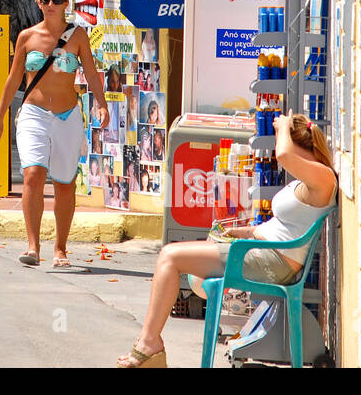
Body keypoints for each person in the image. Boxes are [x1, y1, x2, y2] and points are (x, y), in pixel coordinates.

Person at [117, 113, 337, 367]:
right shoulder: (309, 180)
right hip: (264, 252)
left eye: (280, 139)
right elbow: (283, 226)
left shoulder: (323, 177)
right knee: (174, 257)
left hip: (274, 261)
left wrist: (284, 125)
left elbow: (285, 155)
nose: (279, 146)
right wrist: (244, 231)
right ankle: (150, 344)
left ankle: (148, 344)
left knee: (170, 256)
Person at [0, 0, 108, 268]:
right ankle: (33, 246)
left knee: (64, 183)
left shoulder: (78, 36)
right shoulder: (27, 37)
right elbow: (14, 78)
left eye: (57, 0)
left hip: (67, 115)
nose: (51, 5)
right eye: (45, 0)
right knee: (32, 174)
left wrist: (102, 104)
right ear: (38, 2)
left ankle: (61, 248)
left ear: (66, 3)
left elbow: (91, 74)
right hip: (33, 113)